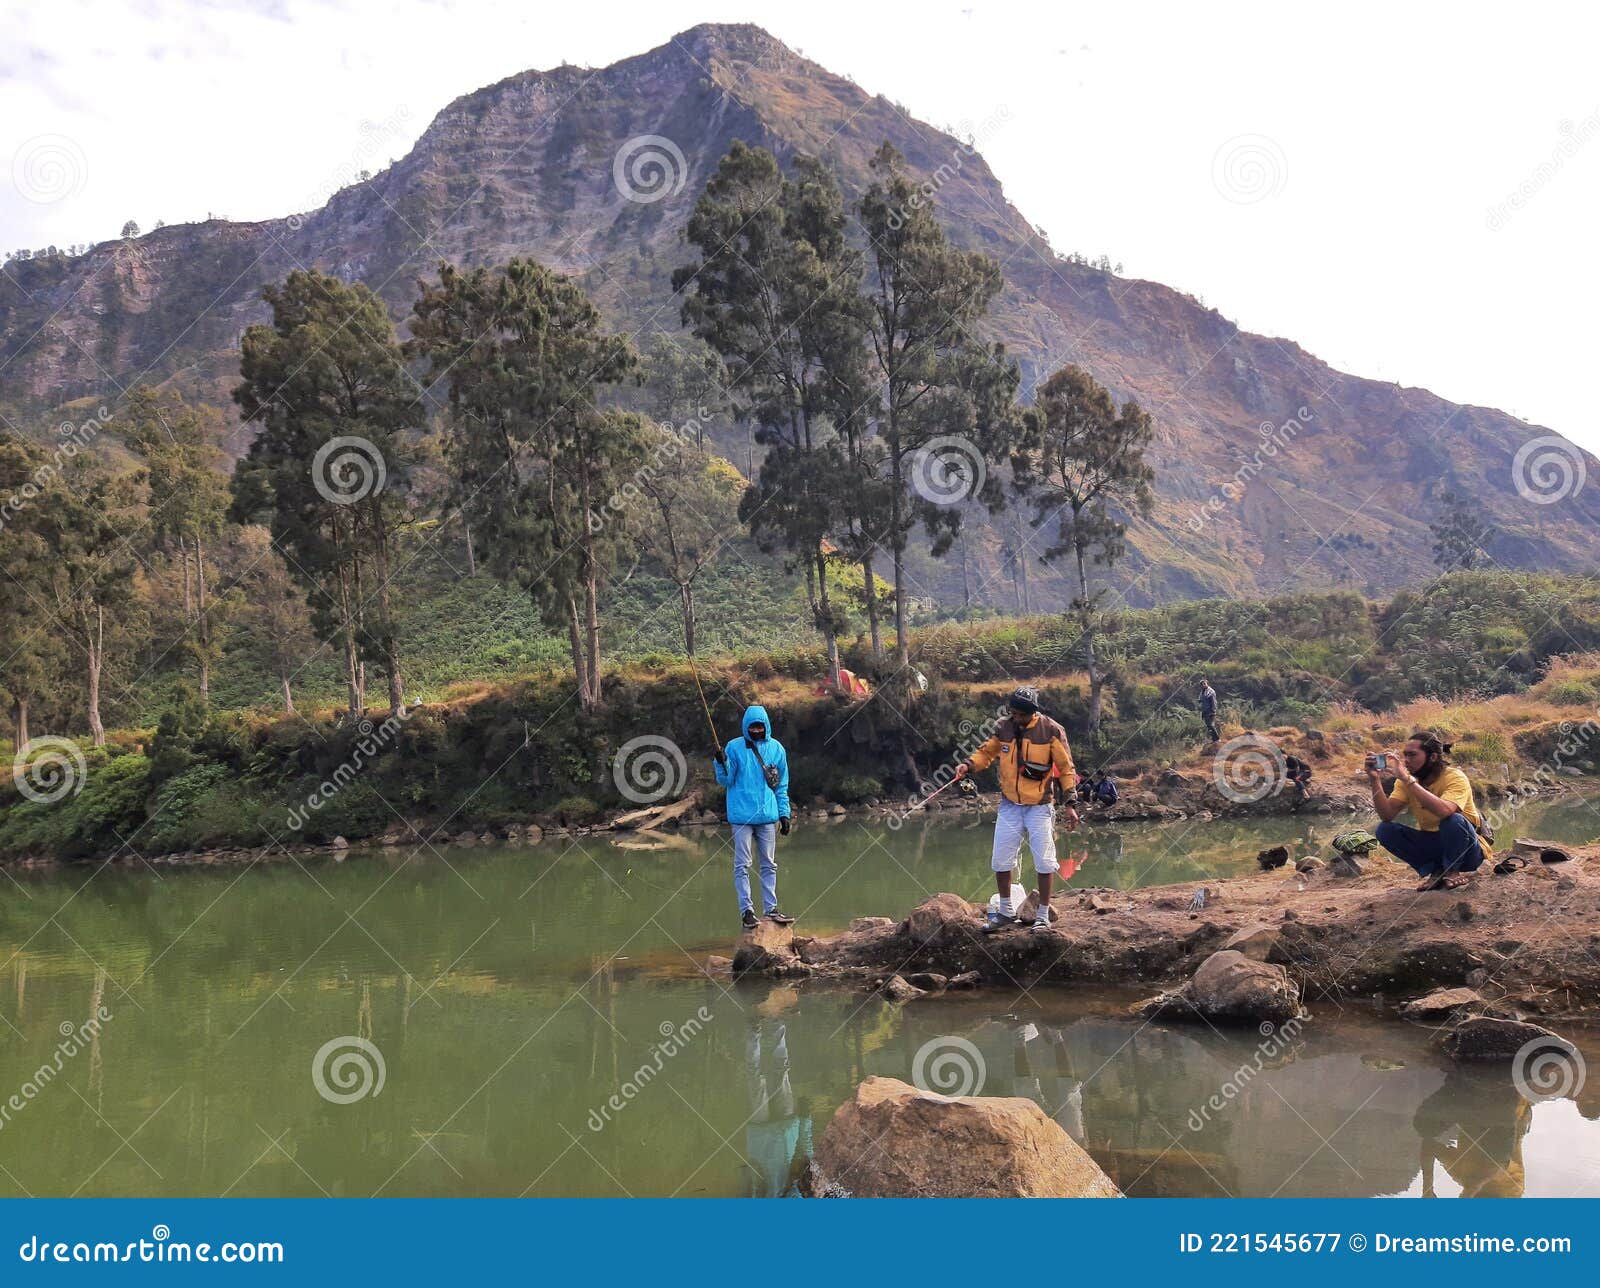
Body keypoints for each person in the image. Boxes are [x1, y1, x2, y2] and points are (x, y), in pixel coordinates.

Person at [953, 685, 1079, 930]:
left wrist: (1070, 803)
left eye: (1022, 715)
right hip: (1010, 804)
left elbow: (1066, 769)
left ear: (1033, 712)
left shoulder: (1051, 731)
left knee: (1044, 861)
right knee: (1001, 860)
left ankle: (1042, 914)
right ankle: (1006, 911)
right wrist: (968, 765)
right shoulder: (1004, 727)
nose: (1017, 718)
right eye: (1014, 713)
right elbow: (987, 752)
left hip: (1040, 806)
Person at [1366, 730, 1492, 892]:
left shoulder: (1455, 777)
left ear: (1432, 757)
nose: (1406, 761)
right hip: (1434, 843)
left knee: (1453, 820)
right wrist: (1374, 780)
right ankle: (1437, 871)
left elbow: (1445, 811)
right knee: (1385, 830)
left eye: (1412, 755)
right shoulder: (1407, 781)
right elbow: (1387, 815)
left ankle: (1453, 870)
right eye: (1405, 755)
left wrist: (1408, 780)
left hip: (1468, 849)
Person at [715, 704, 794, 929]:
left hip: (768, 817)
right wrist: (721, 762)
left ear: (766, 726)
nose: (757, 731)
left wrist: (784, 814)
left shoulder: (777, 749)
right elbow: (726, 780)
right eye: (753, 727)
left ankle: (771, 910)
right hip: (742, 817)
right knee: (743, 865)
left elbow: (781, 785)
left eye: (760, 727)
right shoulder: (734, 747)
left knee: (769, 864)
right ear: (746, 727)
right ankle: (747, 911)